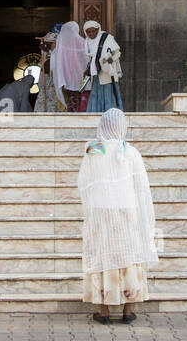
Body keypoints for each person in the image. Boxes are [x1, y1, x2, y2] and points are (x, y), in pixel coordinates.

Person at [78, 108, 158, 324]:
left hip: (102, 211)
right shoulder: (130, 151)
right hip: (127, 211)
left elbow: (85, 180)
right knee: (129, 257)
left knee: (103, 257)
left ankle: (103, 312)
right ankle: (127, 311)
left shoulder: (93, 148)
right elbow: (141, 187)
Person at [83, 20, 124, 113]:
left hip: (107, 72)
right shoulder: (87, 42)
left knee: (108, 94)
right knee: (95, 94)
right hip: (96, 72)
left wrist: (111, 59)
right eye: (88, 32)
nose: (91, 33)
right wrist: (87, 70)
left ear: (98, 29)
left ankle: (111, 116)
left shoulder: (107, 38)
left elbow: (117, 52)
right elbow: (90, 59)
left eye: (93, 31)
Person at [52, 21, 90, 112]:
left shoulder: (62, 45)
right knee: (83, 101)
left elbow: (56, 61)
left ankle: (72, 118)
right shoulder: (83, 43)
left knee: (71, 102)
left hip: (68, 79)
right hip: (83, 79)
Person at [33, 29, 66, 113]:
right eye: (47, 44)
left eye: (50, 44)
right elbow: (44, 71)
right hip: (47, 84)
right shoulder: (47, 53)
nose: (48, 46)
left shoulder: (61, 54)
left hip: (57, 84)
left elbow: (51, 66)